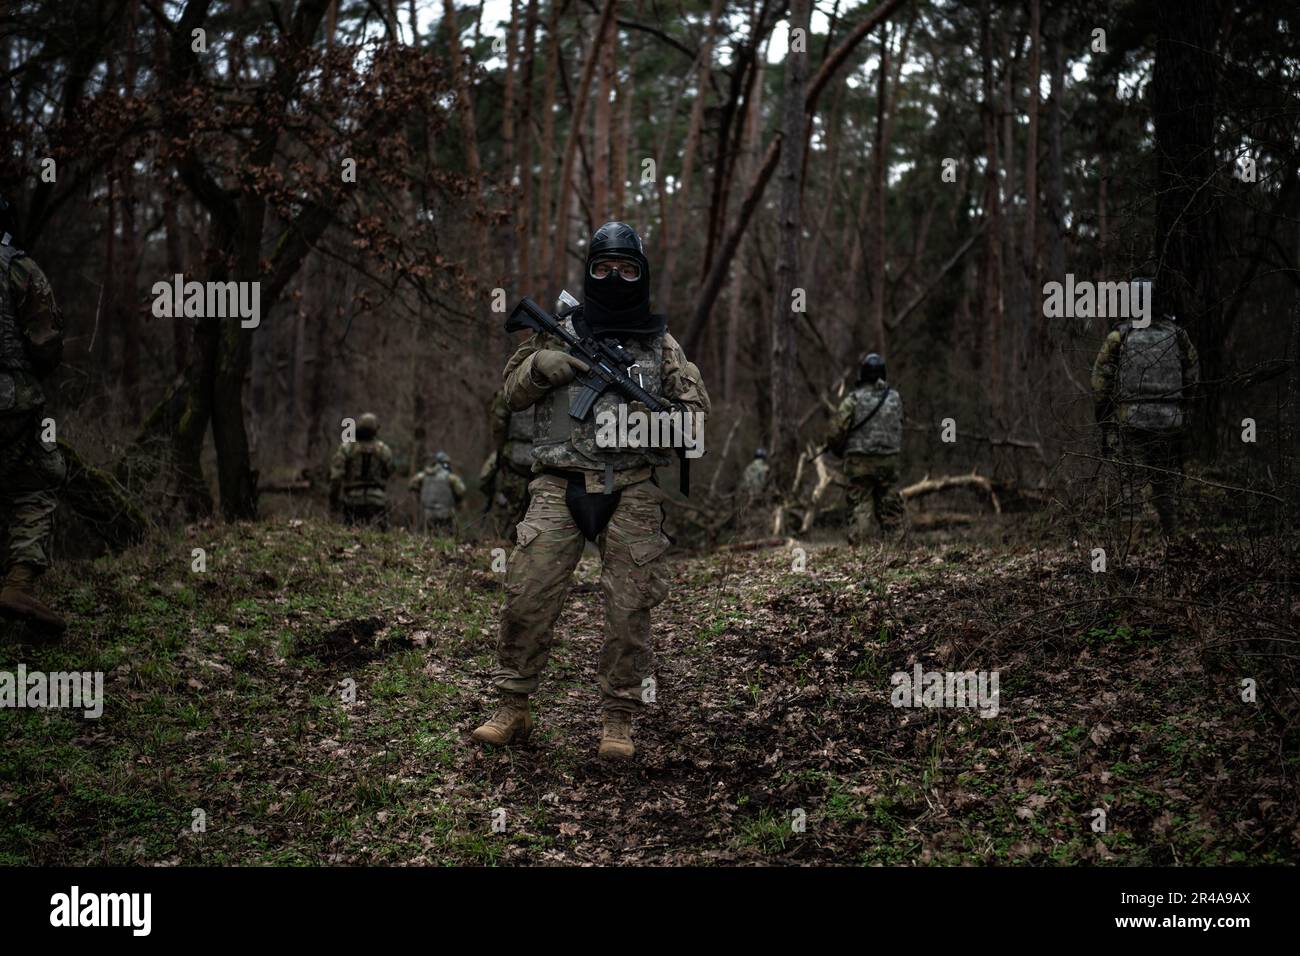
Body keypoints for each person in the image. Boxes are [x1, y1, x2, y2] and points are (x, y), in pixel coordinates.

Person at [472, 221, 709, 760]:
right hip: (558, 482)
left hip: (632, 487)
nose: (615, 278)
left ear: (641, 274)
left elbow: (696, 417)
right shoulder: (556, 329)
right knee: (527, 594)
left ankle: (618, 718)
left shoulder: (660, 343)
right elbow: (510, 393)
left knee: (629, 610)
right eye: (604, 268)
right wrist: (540, 366)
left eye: (627, 269)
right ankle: (513, 707)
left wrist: (659, 418)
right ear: (590, 271)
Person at [0, 195, 68, 638]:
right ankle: (18, 584)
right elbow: (47, 342)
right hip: (10, 400)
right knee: (38, 479)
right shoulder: (18, 267)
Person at [1091, 277, 1199, 536]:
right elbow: (1193, 373)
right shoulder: (1177, 334)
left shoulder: (1121, 335)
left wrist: (1104, 418)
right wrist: (1183, 406)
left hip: (1132, 421)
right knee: (1165, 486)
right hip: (1169, 421)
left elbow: (1099, 383)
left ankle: (1133, 548)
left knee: (1131, 487)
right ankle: (1173, 542)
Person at [826, 353, 905, 543]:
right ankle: (898, 551)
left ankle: (860, 554)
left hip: (859, 462)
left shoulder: (852, 400)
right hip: (889, 461)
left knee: (860, 505)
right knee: (891, 505)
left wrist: (839, 451)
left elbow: (836, 433)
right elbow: (900, 424)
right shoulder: (895, 398)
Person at [481, 387, 534, 537]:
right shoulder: (551, 388)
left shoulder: (508, 392)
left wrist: (501, 449)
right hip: (545, 456)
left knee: (514, 505)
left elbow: (498, 426)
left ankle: (513, 539)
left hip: (515, 458)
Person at [328, 412, 393, 527]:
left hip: (352, 499)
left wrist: (333, 501)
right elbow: (389, 471)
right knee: (382, 539)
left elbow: (336, 477)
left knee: (351, 536)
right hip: (377, 500)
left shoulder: (347, 448)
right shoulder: (383, 450)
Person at [410, 451, 465, 537]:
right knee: (448, 536)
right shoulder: (449, 476)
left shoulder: (425, 474)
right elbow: (461, 490)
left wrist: (420, 491)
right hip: (446, 512)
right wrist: (456, 498)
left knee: (429, 537)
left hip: (428, 512)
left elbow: (412, 484)